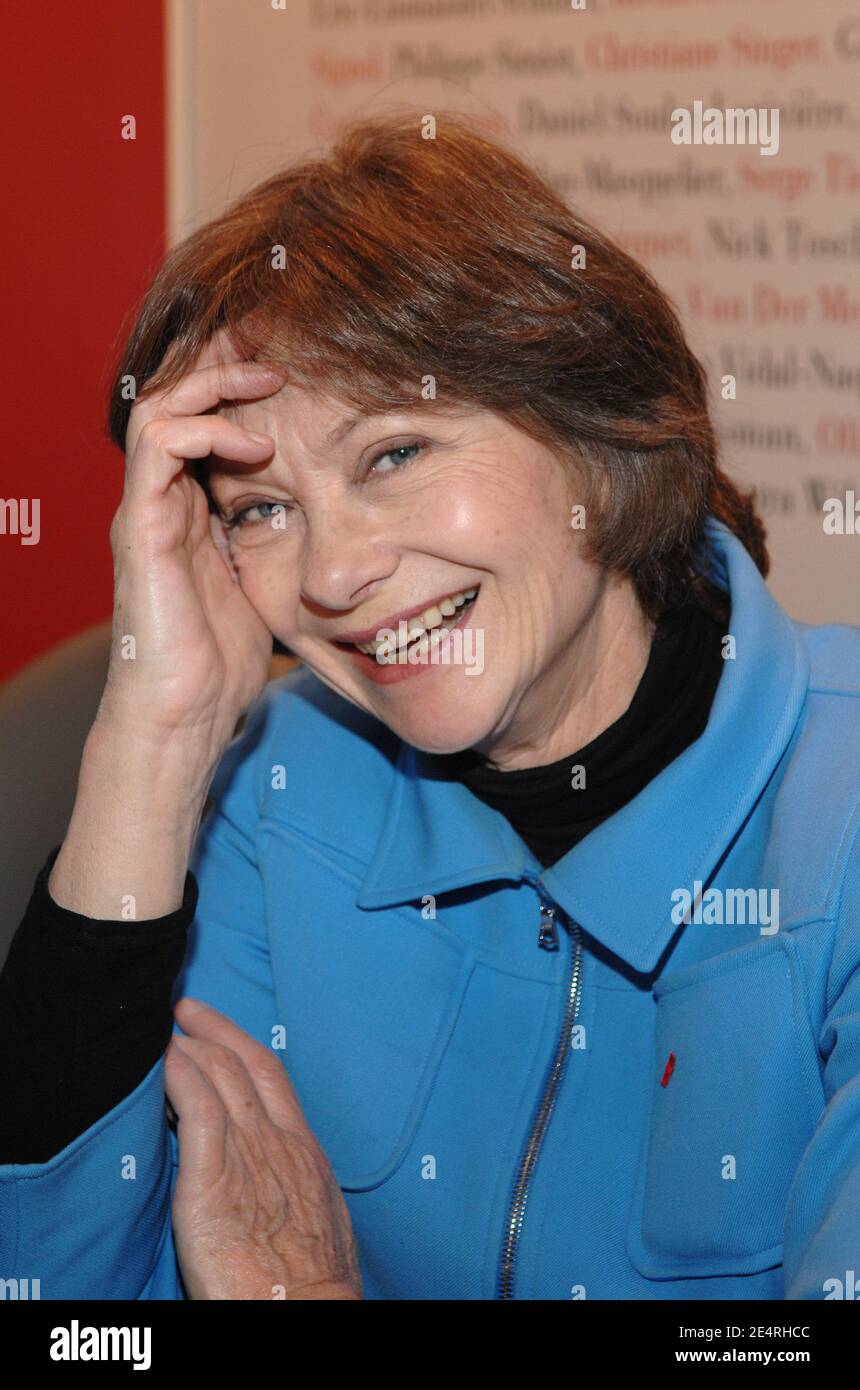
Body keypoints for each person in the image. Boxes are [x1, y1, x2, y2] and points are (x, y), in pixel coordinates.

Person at [1, 112, 858, 1301]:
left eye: (392, 453)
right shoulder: (269, 789)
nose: (332, 573)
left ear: (593, 424)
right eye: (259, 509)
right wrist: (156, 737)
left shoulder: (839, 824)